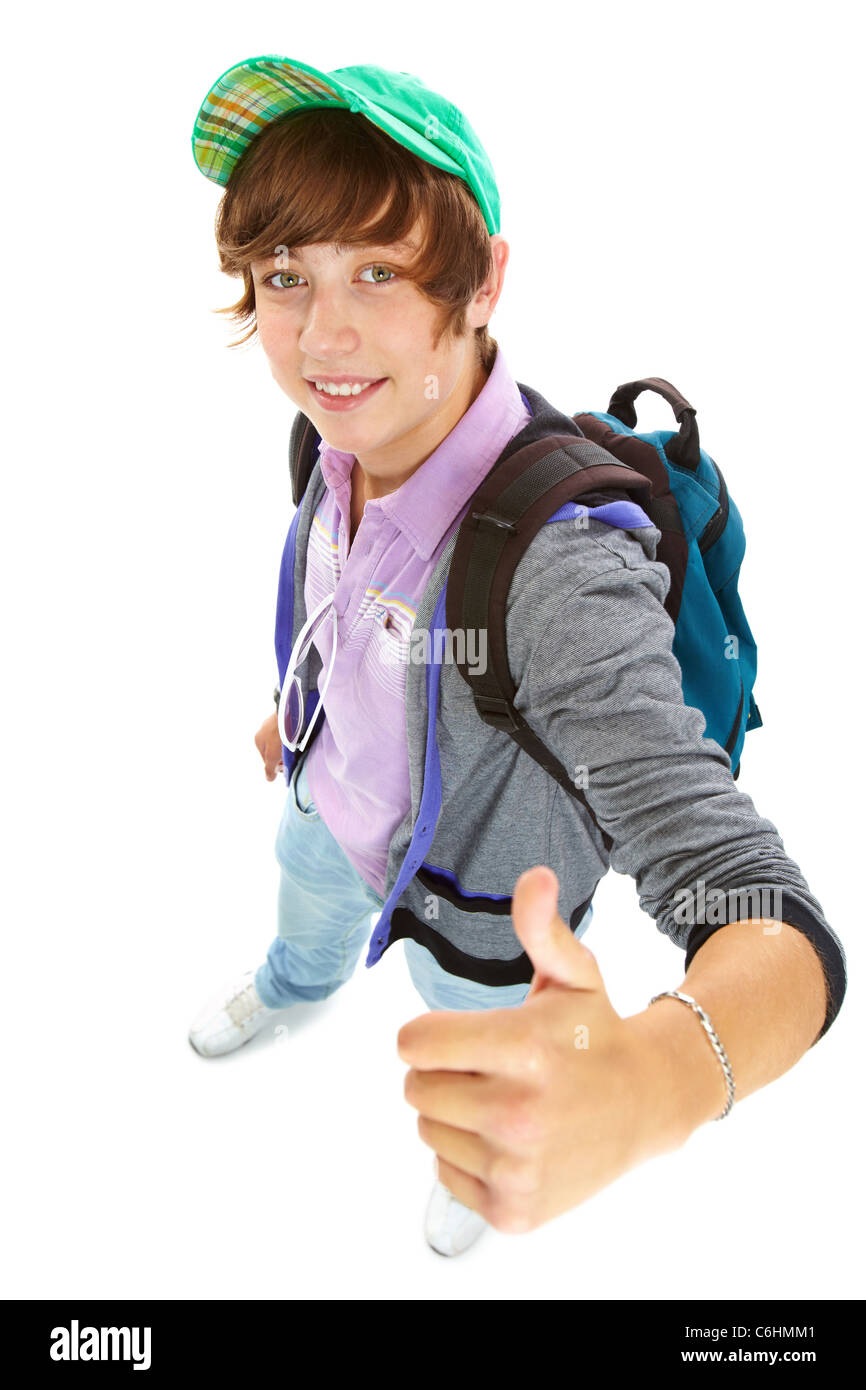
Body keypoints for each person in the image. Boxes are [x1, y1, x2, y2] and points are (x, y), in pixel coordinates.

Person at [187, 54, 847, 1257]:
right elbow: (352, 598)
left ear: (481, 281)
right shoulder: (337, 426)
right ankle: (292, 988)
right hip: (328, 814)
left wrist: (647, 1082)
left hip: (482, 910)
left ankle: (474, 1176)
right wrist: (309, 707)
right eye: (286, 275)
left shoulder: (561, 571)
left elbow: (766, 914)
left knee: (483, 1067)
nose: (320, 335)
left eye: (377, 272)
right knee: (302, 921)